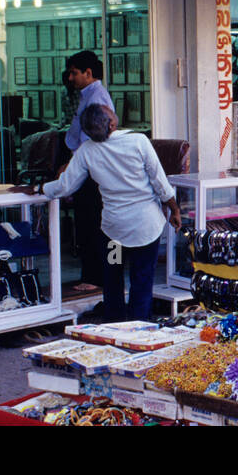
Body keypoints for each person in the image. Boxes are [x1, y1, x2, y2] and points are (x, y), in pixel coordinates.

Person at [36, 106, 181, 322]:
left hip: (114, 233)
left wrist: (39, 189)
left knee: (112, 276)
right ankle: (139, 328)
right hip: (145, 230)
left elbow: (65, 186)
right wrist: (174, 209)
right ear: (112, 123)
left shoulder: (86, 150)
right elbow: (160, 182)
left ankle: (114, 325)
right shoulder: (139, 142)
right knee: (141, 278)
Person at [64, 50, 114, 293]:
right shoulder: (86, 95)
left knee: (91, 223)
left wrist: (70, 167)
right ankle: (93, 275)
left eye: (74, 73)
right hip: (85, 166)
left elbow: (90, 140)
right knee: (85, 223)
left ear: (88, 73)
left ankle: (95, 277)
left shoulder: (96, 97)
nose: (70, 78)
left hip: (91, 170)